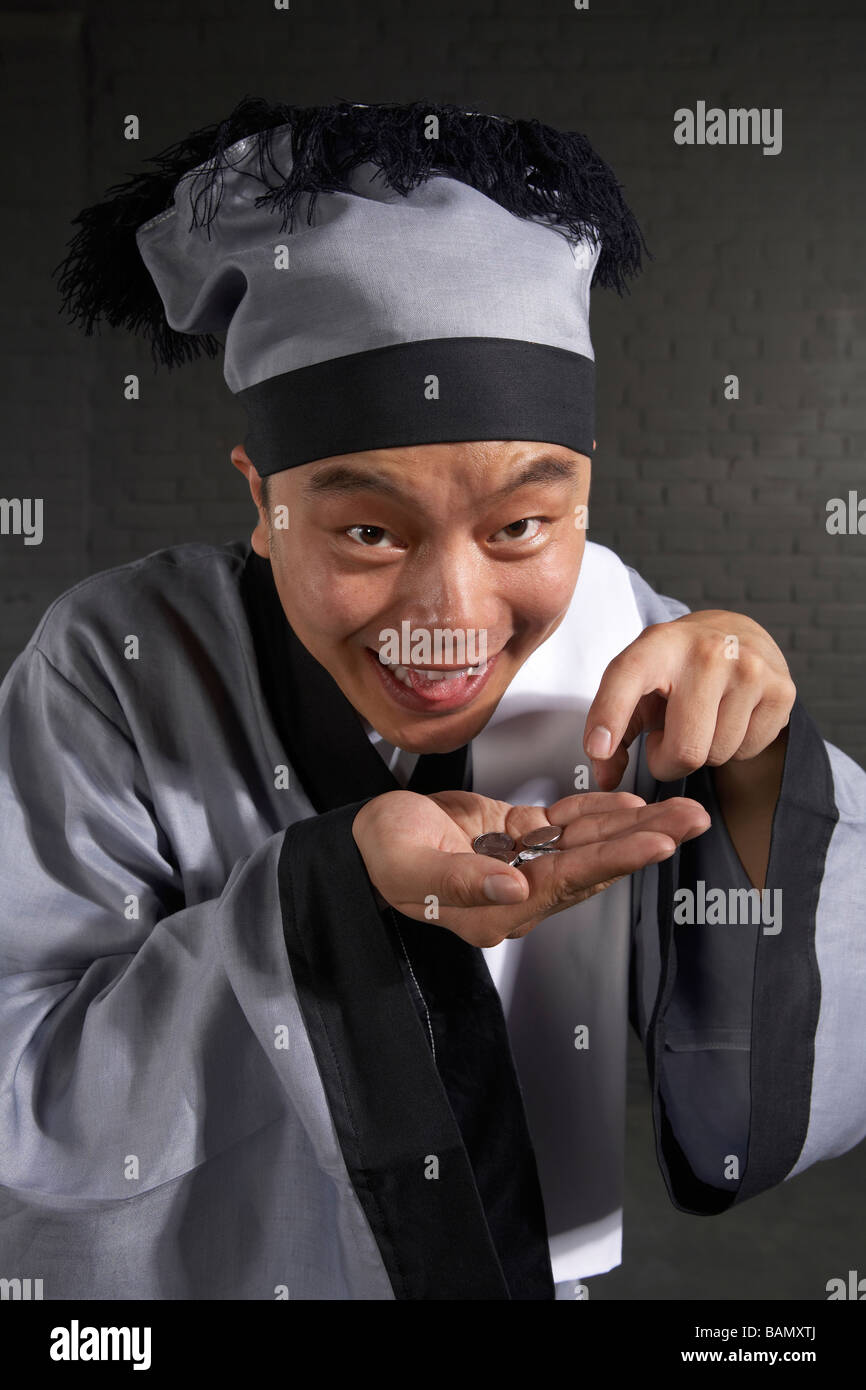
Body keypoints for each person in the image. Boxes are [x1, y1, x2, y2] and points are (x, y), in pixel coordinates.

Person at [0, 97, 862, 1301]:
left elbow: (790, 1037)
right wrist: (326, 901)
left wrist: (757, 769)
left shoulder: (629, 639)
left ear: (581, 500)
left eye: (522, 524)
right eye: (364, 528)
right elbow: (24, 1082)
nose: (447, 615)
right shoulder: (114, 663)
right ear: (263, 501)